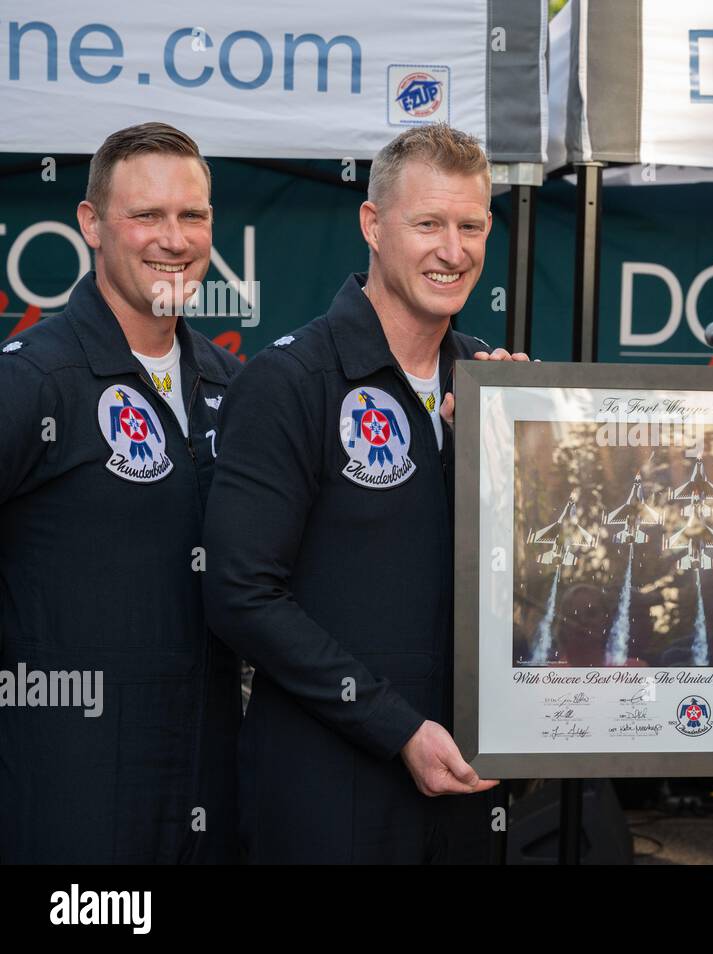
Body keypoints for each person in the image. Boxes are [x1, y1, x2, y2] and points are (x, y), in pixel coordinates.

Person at [202, 124, 527, 863]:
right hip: (329, 789)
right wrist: (396, 728)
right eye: (429, 224)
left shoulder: (489, 380)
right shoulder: (290, 382)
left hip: (471, 783)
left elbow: (531, 577)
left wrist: (522, 451)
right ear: (373, 226)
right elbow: (240, 593)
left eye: (471, 225)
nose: (453, 249)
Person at [0, 123, 241, 862]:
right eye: (147, 216)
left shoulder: (233, 384)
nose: (174, 239)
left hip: (206, 782)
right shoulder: (33, 379)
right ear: (92, 224)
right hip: (68, 796)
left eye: (192, 216)